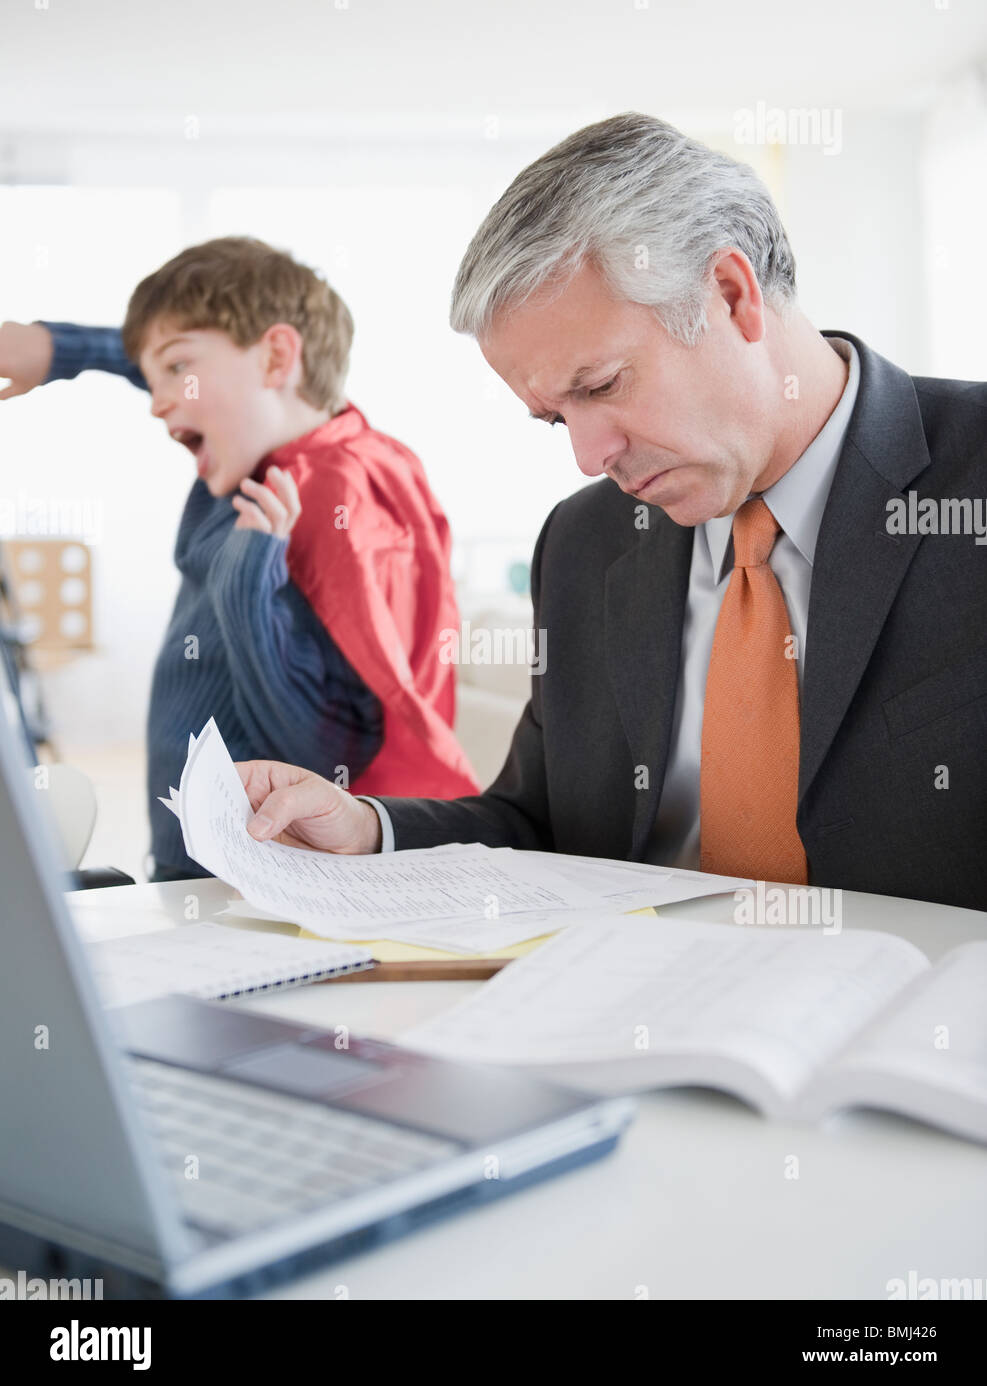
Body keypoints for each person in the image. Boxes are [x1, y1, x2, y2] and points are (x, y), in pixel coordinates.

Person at [216, 113, 987, 913]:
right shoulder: (585, 541)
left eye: (602, 386)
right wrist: (367, 830)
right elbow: (540, 824)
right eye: (555, 418)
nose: (589, 457)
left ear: (730, 295)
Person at [0, 237, 478, 879]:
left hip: (262, 887)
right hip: (201, 871)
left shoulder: (331, 493)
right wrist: (61, 350)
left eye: (172, 370)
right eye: (152, 373)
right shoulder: (265, 460)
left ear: (278, 355)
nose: (154, 397)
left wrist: (247, 580)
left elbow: (325, 753)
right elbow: (207, 362)